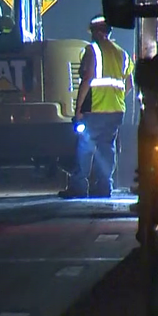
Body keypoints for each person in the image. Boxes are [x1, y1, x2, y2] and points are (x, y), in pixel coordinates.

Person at [60, 15, 134, 199]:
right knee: (106, 147)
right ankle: (104, 187)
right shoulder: (122, 53)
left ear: (96, 31)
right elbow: (130, 84)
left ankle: (78, 187)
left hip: (95, 109)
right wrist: (116, 98)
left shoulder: (92, 50)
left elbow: (87, 79)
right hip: (116, 110)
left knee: (85, 146)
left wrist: (78, 111)